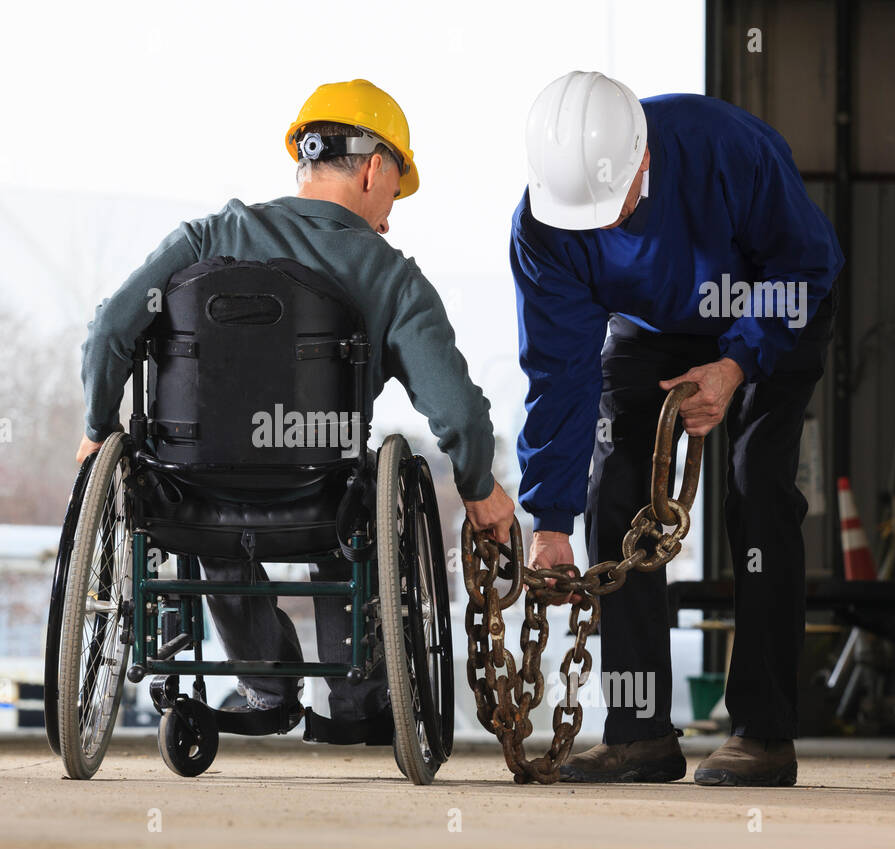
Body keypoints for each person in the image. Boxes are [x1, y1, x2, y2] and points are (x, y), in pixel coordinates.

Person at [76, 79, 515, 727]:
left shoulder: (206, 238)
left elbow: (113, 327)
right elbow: (456, 409)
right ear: (373, 169)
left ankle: (268, 689)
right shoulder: (391, 278)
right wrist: (481, 489)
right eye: (395, 191)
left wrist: (96, 429)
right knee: (356, 498)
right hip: (321, 498)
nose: (391, 216)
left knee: (209, 500)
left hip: (197, 491)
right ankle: (356, 702)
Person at [511, 71, 843, 786]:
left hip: (770, 308)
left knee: (758, 490)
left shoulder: (726, 147)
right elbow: (559, 373)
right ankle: (640, 735)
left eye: (613, 206)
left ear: (643, 160)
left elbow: (808, 265)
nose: (599, 226)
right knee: (616, 485)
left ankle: (763, 733)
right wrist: (548, 519)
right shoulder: (544, 226)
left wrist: (736, 363)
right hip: (652, 326)